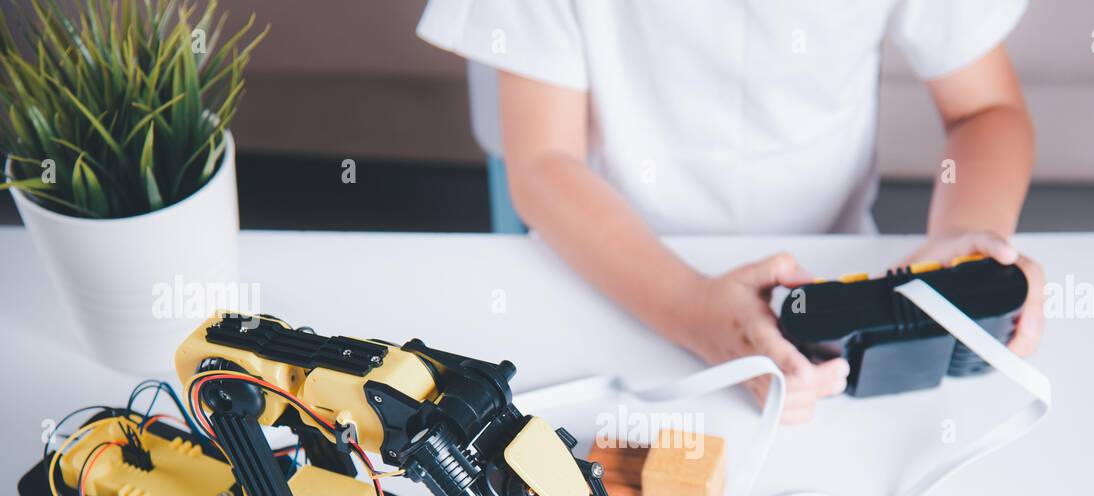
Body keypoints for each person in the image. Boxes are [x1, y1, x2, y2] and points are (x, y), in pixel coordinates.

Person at [419, 0, 1043, 422]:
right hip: (611, 279)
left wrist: (970, 231)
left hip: (829, 285)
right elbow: (543, 162)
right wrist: (692, 310)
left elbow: (984, 111)